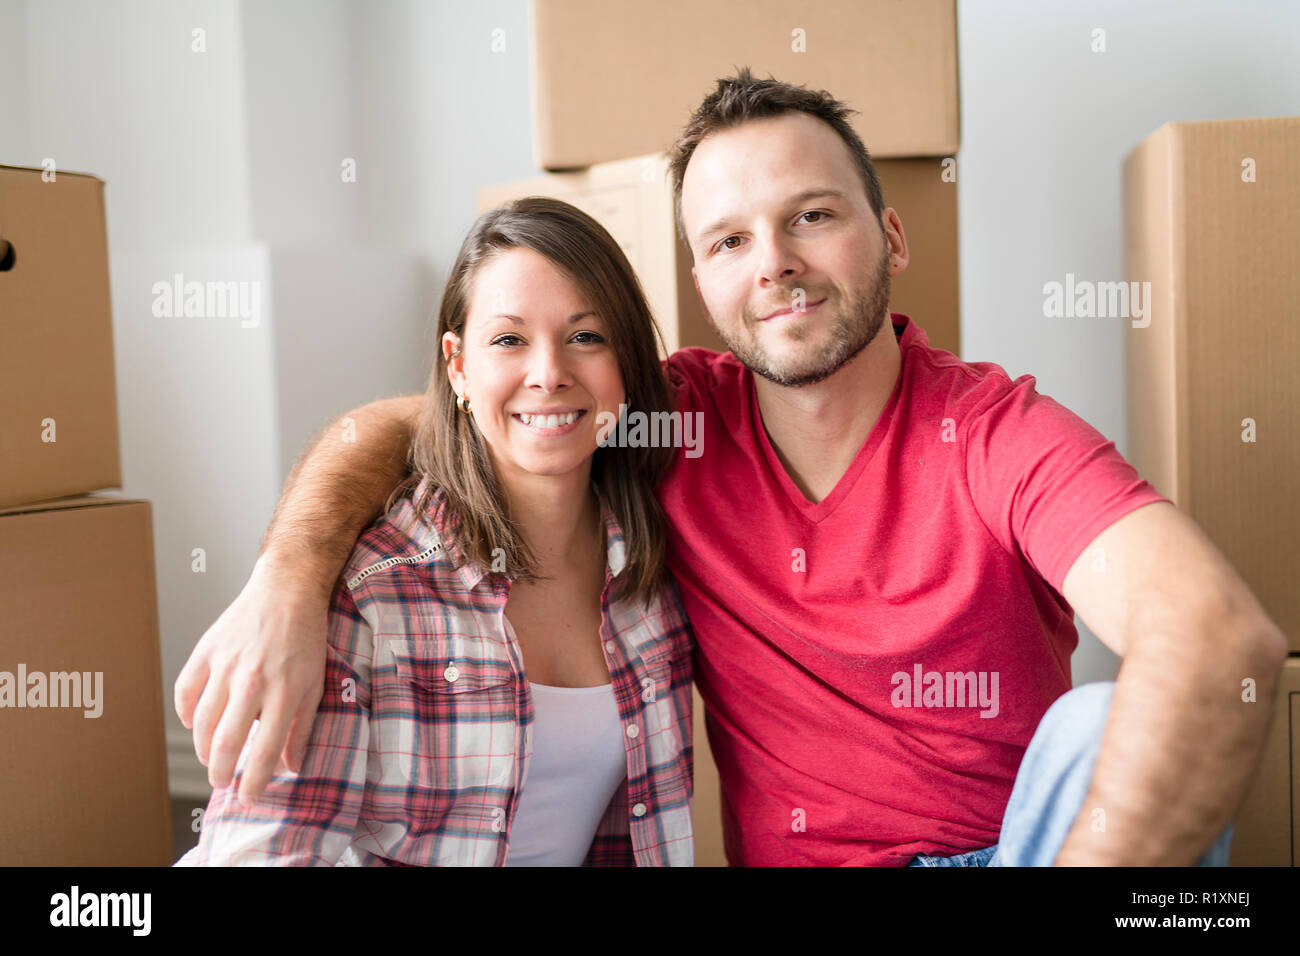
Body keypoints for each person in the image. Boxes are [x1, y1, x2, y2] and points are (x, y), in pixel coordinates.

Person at [176, 70, 1288, 867]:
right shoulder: (669, 419)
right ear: (700, 275)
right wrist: (285, 577)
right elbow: (432, 421)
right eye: (729, 240)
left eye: (812, 216)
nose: (777, 267)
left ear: (890, 237)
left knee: (1096, 729)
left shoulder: (992, 432)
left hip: (1014, 850)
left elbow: (1215, 636)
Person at [176, 197, 694, 866]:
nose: (549, 373)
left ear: (628, 361)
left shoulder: (653, 569)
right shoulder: (371, 593)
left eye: (586, 337)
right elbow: (260, 856)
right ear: (457, 366)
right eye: (509, 340)